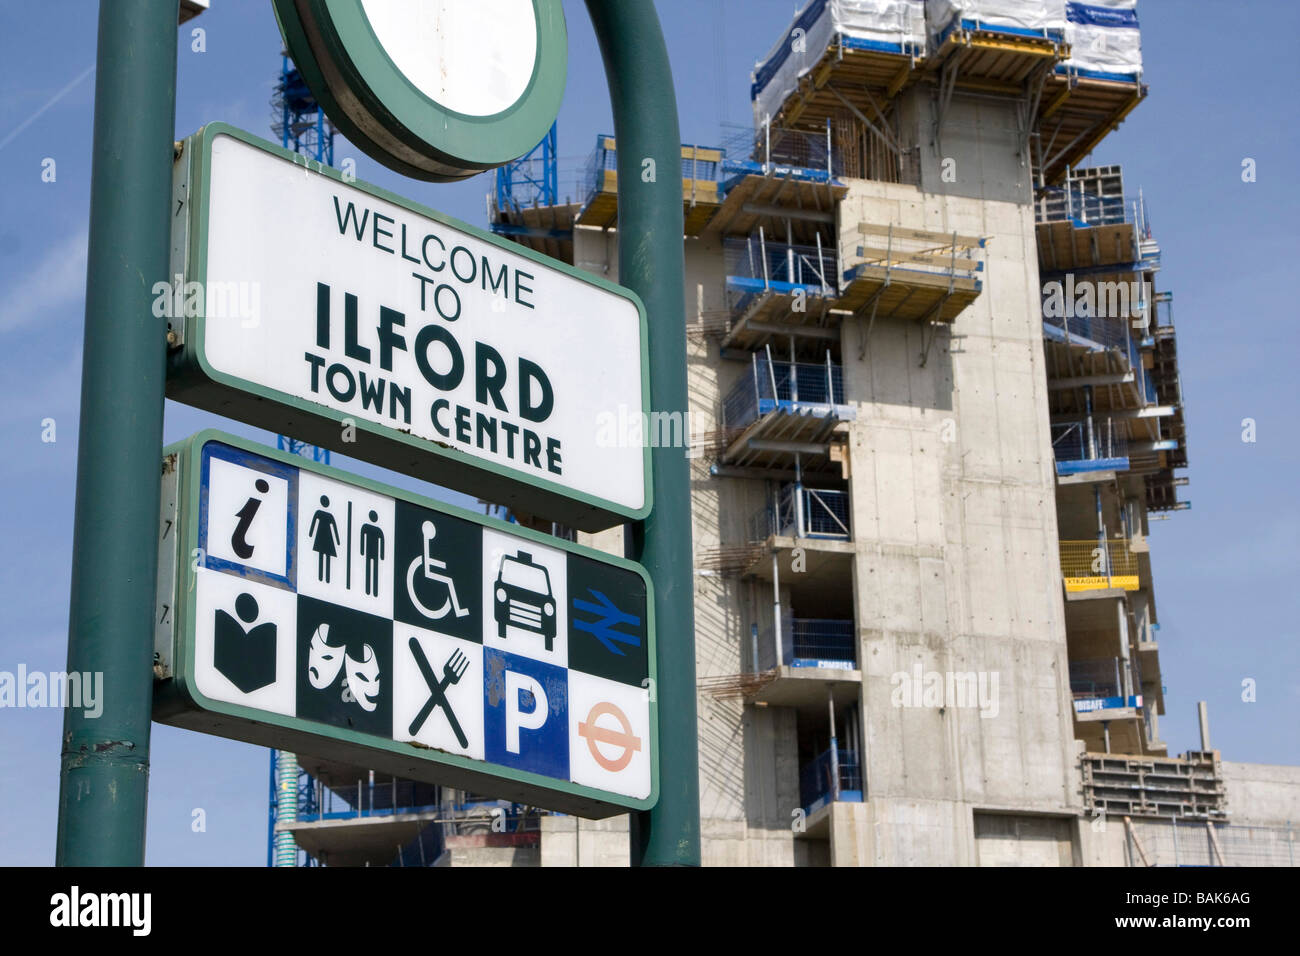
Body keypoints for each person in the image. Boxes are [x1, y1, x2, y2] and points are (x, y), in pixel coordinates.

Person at [309, 495, 340, 583]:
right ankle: (322, 578)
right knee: (323, 555)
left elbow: (334, 528)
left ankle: (326, 579)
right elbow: (314, 523)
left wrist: (337, 540)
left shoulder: (324, 514)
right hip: (323, 535)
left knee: (324, 555)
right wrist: (311, 533)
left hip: (324, 535)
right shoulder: (323, 514)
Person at [359, 510, 385, 597]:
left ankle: (374, 591)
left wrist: (382, 555)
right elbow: (362, 537)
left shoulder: (377, 530)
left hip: (373, 552)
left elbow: (382, 542)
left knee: (373, 570)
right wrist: (362, 550)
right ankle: (369, 590)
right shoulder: (367, 527)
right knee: (370, 569)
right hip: (370, 552)